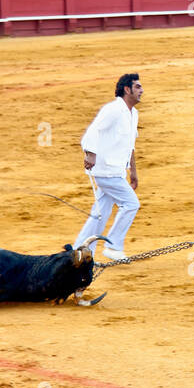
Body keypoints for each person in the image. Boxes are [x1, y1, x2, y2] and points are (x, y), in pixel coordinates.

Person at [75, 73, 143, 262]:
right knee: (131, 204)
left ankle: (81, 251)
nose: (142, 90)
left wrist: (133, 171)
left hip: (117, 171)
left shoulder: (133, 114)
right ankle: (113, 246)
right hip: (106, 171)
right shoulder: (112, 110)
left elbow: (130, 144)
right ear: (127, 89)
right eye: (137, 87)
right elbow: (93, 131)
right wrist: (90, 153)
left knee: (100, 213)